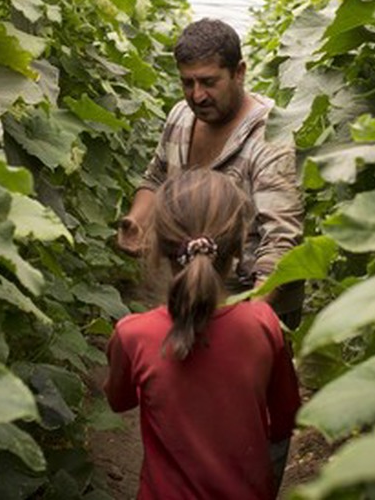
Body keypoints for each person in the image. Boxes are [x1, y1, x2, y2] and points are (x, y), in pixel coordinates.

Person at [104, 169, 302, 500]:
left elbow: (118, 399)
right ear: (239, 247)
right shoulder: (263, 324)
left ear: (156, 248)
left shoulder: (133, 334)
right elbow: (285, 419)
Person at [116, 18, 305, 328]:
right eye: (187, 83)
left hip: (252, 297)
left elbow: (282, 240)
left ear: (239, 72)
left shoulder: (270, 137)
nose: (197, 95)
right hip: (189, 287)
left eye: (208, 81)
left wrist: (253, 321)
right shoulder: (180, 115)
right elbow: (156, 177)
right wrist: (137, 220)